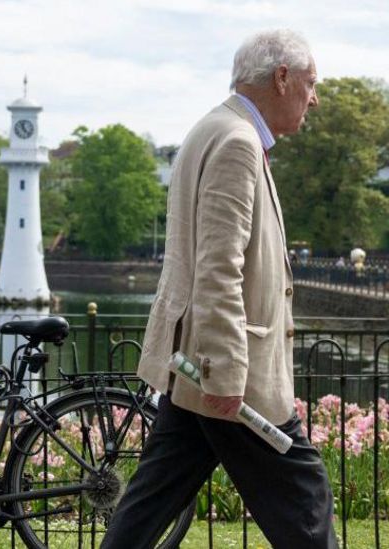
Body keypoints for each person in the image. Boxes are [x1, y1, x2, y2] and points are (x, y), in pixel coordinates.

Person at [101, 30, 336, 548]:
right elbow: (218, 269)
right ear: (281, 78)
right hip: (231, 372)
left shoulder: (212, 127)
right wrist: (228, 375)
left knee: (150, 502)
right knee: (306, 495)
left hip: (194, 361)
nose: (314, 98)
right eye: (310, 83)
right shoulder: (237, 142)